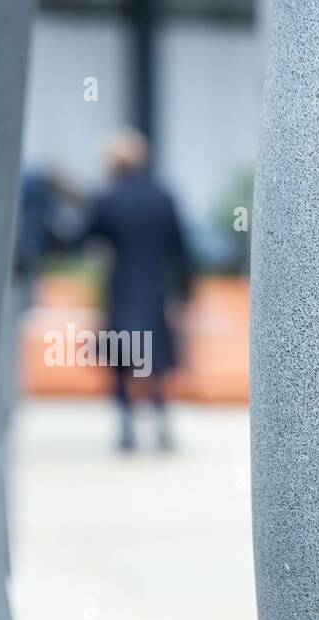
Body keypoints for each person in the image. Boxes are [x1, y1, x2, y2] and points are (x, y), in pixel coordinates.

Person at [71, 130, 191, 451]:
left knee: (122, 358)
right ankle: (162, 420)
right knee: (155, 358)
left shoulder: (106, 200)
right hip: (156, 289)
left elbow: (79, 240)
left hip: (121, 287)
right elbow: (180, 250)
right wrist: (184, 294)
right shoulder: (162, 197)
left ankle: (126, 428)